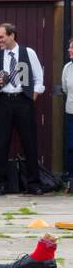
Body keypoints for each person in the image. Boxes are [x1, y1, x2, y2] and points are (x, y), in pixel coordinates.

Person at [0, 22, 46, 196]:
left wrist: (32, 96)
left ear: (12, 35)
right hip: (3, 102)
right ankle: (1, 183)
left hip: (23, 101)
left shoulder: (28, 53)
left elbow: (39, 79)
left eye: (1, 37)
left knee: (29, 142)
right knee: (2, 143)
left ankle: (33, 183)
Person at [62, 38, 73, 189]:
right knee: (71, 147)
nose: (69, 50)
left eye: (72, 48)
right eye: (70, 47)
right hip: (71, 112)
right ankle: (71, 179)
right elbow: (65, 88)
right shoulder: (67, 68)